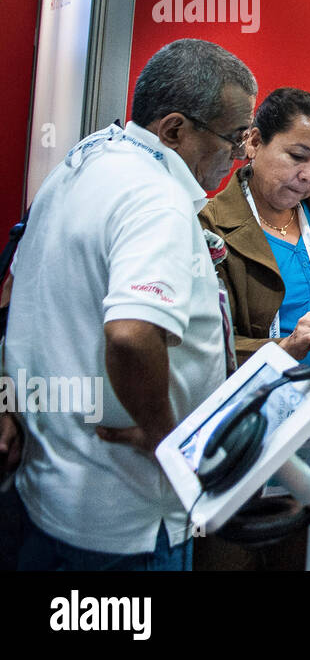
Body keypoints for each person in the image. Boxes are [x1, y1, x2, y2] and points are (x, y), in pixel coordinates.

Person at [0, 38, 256, 570]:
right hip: (126, 519)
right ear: (174, 129)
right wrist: (167, 438)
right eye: (232, 139)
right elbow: (131, 333)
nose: (237, 157)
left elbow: (18, 289)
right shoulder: (155, 199)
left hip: (51, 487)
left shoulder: (85, 158)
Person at [195, 87, 310, 570]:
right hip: (243, 426)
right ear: (252, 142)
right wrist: (284, 346)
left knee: (298, 553)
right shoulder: (207, 224)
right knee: (228, 557)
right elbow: (204, 345)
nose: (308, 174)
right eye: (296, 155)